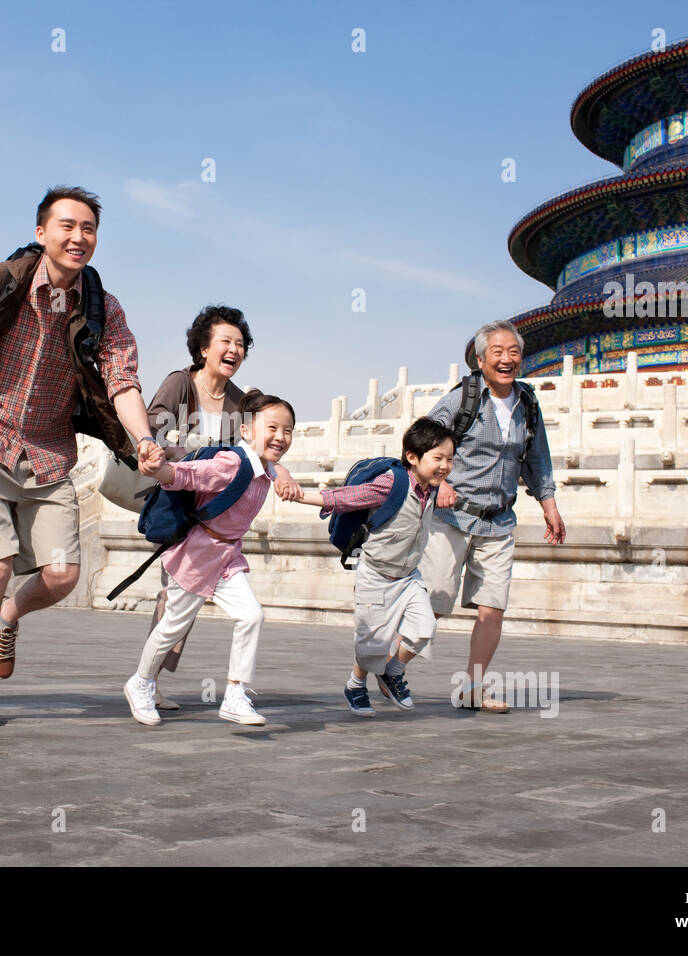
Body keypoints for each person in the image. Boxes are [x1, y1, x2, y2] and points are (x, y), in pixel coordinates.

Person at [0, 186, 164, 728]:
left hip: (49, 451)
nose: (78, 237)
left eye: (88, 228)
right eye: (67, 226)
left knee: (65, 575)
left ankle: (11, 614)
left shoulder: (103, 308)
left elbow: (122, 379)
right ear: (42, 231)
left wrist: (141, 438)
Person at [142, 306, 300, 710]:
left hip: (207, 508)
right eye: (226, 342)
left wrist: (280, 470)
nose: (234, 350)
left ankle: (150, 680)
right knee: (175, 594)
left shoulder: (238, 402)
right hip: (174, 493)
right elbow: (153, 428)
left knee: (179, 598)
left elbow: (256, 449)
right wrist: (188, 455)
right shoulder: (182, 384)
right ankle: (147, 681)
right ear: (203, 347)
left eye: (241, 344)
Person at [123, 390, 295, 727]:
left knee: (251, 616)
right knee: (173, 626)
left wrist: (286, 476)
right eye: (272, 428)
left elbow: (275, 469)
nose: (280, 437)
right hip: (196, 555)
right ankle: (140, 682)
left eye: (288, 430)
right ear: (246, 431)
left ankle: (235, 694)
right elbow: (188, 475)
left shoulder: (266, 466)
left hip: (227, 556)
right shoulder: (233, 463)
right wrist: (161, 470)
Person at [423, 320, 566, 712]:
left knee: (492, 609)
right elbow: (421, 439)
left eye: (513, 352)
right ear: (481, 360)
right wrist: (438, 484)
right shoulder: (464, 399)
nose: (506, 360)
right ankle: (390, 666)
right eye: (498, 353)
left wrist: (549, 504)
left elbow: (537, 459)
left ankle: (473, 687)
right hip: (452, 517)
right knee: (435, 602)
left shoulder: (527, 403)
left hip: (499, 521)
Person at [284, 418, 454, 716]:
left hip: (409, 576)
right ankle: (355, 685)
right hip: (375, 575)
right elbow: (346, 499)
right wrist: (300, 495)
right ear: (413, 457)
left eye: (450, 459)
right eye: (438, 458)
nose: (445, 466)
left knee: (424, 629)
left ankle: (392, 671)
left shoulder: (431, 488)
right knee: (371, 643)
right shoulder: (392, 482)